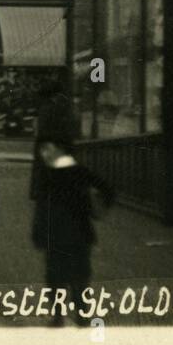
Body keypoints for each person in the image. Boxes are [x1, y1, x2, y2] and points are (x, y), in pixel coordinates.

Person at [31, 81, 112, 325]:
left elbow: (41, 207)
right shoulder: (79, 171)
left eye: (46, 150)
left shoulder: (47, 177)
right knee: (80, 274)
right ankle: (82, 314)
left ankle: (58, 316)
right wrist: (99, 210)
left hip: (56, 233)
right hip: (78, 234)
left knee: (56, 275)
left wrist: (38, 233)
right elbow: (107, 189)